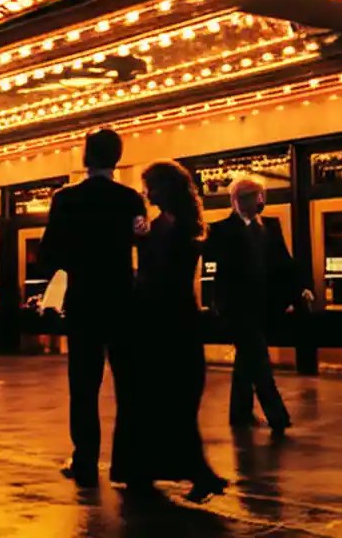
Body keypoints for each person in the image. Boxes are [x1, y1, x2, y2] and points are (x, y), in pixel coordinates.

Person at [113, 161, 228, 502]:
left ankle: (176, 470)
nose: (146, 193)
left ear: (163, 188)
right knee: (179, 399)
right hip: (182, 317)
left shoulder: (165, 227)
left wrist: (136, 244)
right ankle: (194, 470)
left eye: (150, 186)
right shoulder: (187, 224)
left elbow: (155, 276)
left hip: (159, 321)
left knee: (161, 398)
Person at [39, 128, 147, 488]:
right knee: (129, 384)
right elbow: (140, 243)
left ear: (86, 157)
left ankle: (85, 460)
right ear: (117, 158)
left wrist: (74, 262)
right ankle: (130, 462)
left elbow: (49, 254)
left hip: (84, 301)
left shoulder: (66, 199)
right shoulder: (131, 199)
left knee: (84, 385)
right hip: (122, 301)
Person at [205, 177, 309, 436]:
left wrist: (300, 289)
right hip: (237, 309)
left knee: (247, 360)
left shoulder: (271, 227)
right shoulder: (220, 230)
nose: (259, 202)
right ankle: (277, 416)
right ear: (238, 200)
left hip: (264, 306)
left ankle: (239, 413)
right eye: (253, 197)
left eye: (260, 197)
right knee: (259, 360)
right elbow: (215, 272)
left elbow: (284, 262)